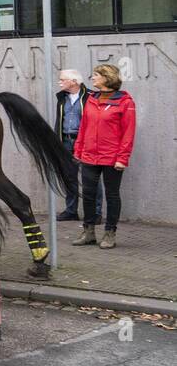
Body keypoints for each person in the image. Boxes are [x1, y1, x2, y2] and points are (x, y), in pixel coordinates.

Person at [71, 64, 135, 250]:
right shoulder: (92, 99)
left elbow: (128, 133)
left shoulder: (125, 102)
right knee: (89, 195)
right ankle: (89, 232)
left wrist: (122, 158)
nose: (92, 77)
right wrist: (79, 151)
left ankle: (110, 233)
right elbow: (83, 128)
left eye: (96, 75)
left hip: (112, 157)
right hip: (89, 156)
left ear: (107, 78)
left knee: (112, 195)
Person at [55, 69, 100, 222]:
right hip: (66, 141)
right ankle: (71, 211)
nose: (59, 82)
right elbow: (60, 121)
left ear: (74, 81)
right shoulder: (61, 97)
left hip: (86, 142)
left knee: (91, 178)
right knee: (69, 177)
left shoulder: (92, 97)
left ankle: (95, 213)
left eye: (62, 79)